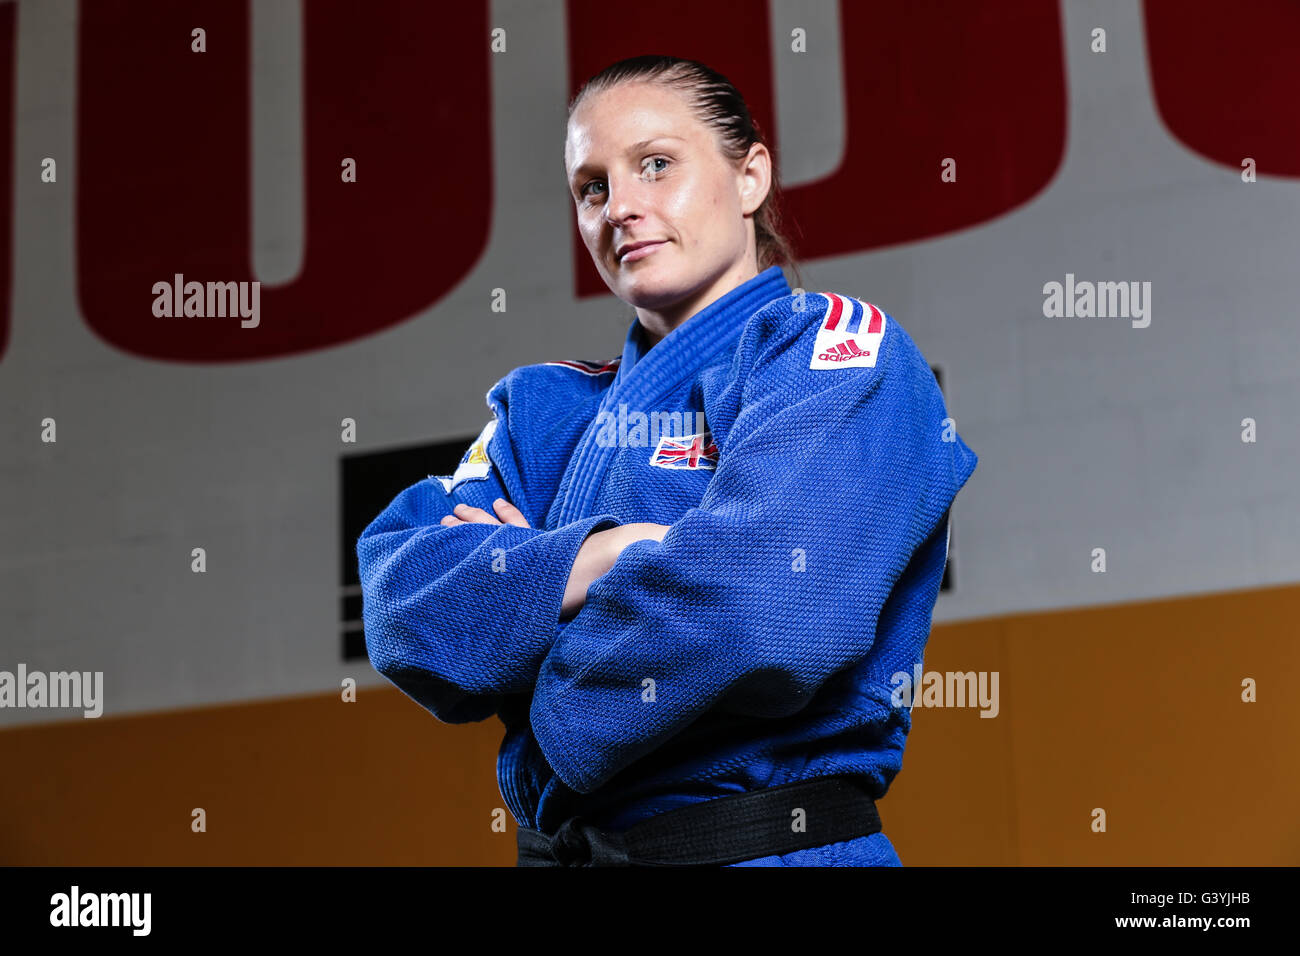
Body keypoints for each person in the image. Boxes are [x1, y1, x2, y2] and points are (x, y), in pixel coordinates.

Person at [356, 55, 978, 866]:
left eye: (656, 164)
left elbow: (761, 608)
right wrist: (613, 552)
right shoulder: (543, 408)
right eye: (592, 187)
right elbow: (402, 603)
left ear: (749, 175)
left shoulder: (832, 355)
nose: (622, 208)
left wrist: (537, 692)